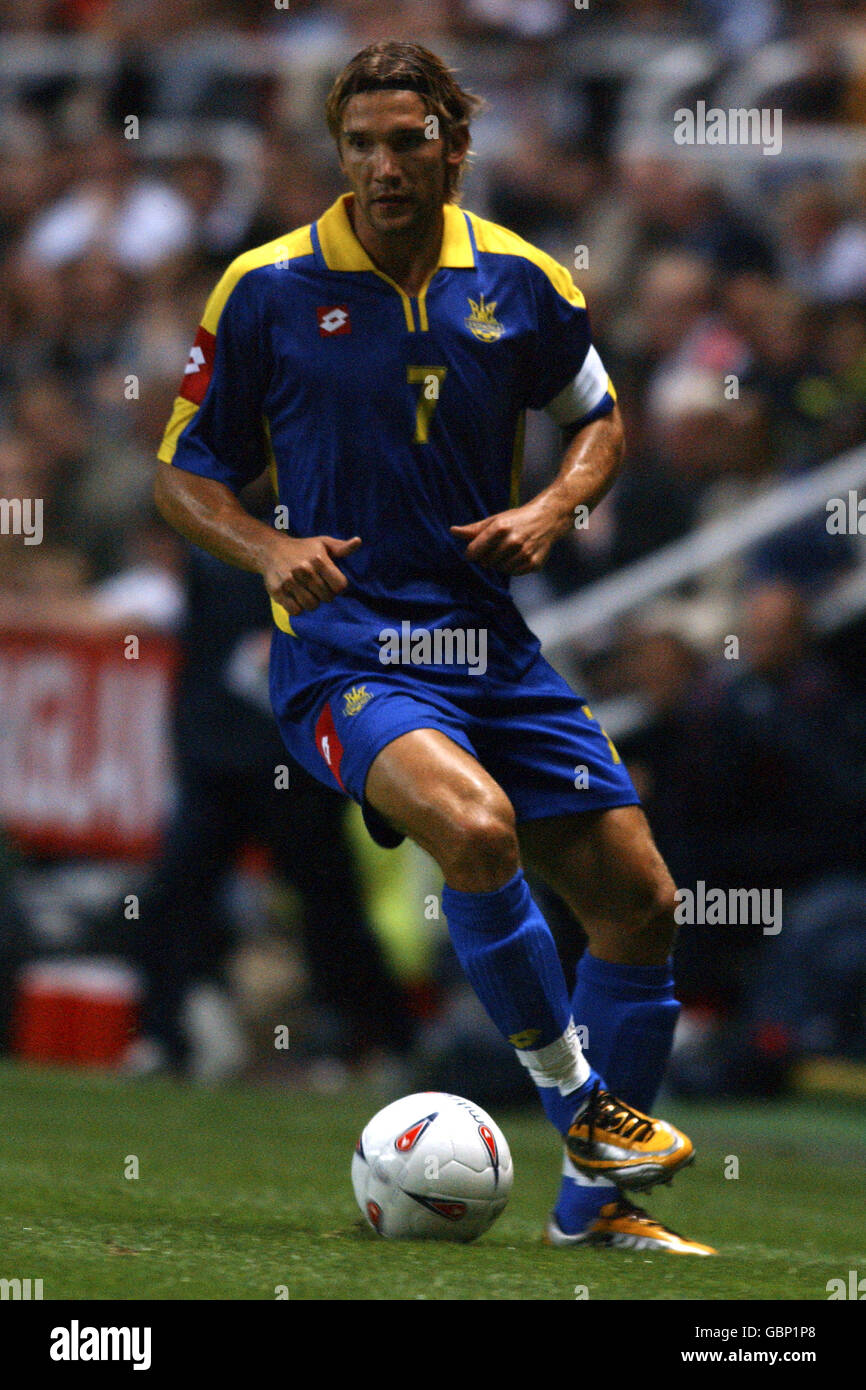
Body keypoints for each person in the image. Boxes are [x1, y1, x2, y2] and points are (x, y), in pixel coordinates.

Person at [154, 40, 713, 1255]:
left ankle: (594, 1210)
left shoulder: (518, 279)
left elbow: (598, 419)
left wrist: (553, 506)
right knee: (472, 828)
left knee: (642, 904)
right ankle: (583, 1110)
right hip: (346, 651)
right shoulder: (267, 285)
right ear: (337, 150)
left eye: (407, 141)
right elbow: (182, 470)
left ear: (453, 145)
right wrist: (262, 550)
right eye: (359, 144)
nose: (382, 165)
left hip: (492, 648)